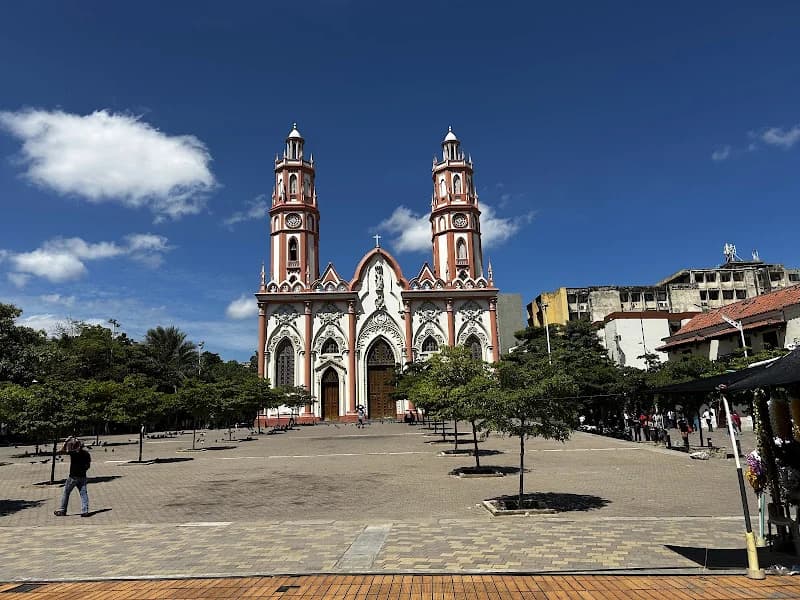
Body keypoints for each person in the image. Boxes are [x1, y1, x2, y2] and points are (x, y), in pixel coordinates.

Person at [53, 437, 91, 517]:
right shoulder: (87, 454)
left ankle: (63, 510)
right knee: (83, 494)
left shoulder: (74, 453)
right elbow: (88, 466)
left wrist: (66, 441)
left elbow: (61, 451)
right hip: (83, 477)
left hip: (73, 477)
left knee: (66, 493)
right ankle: (85, 511)